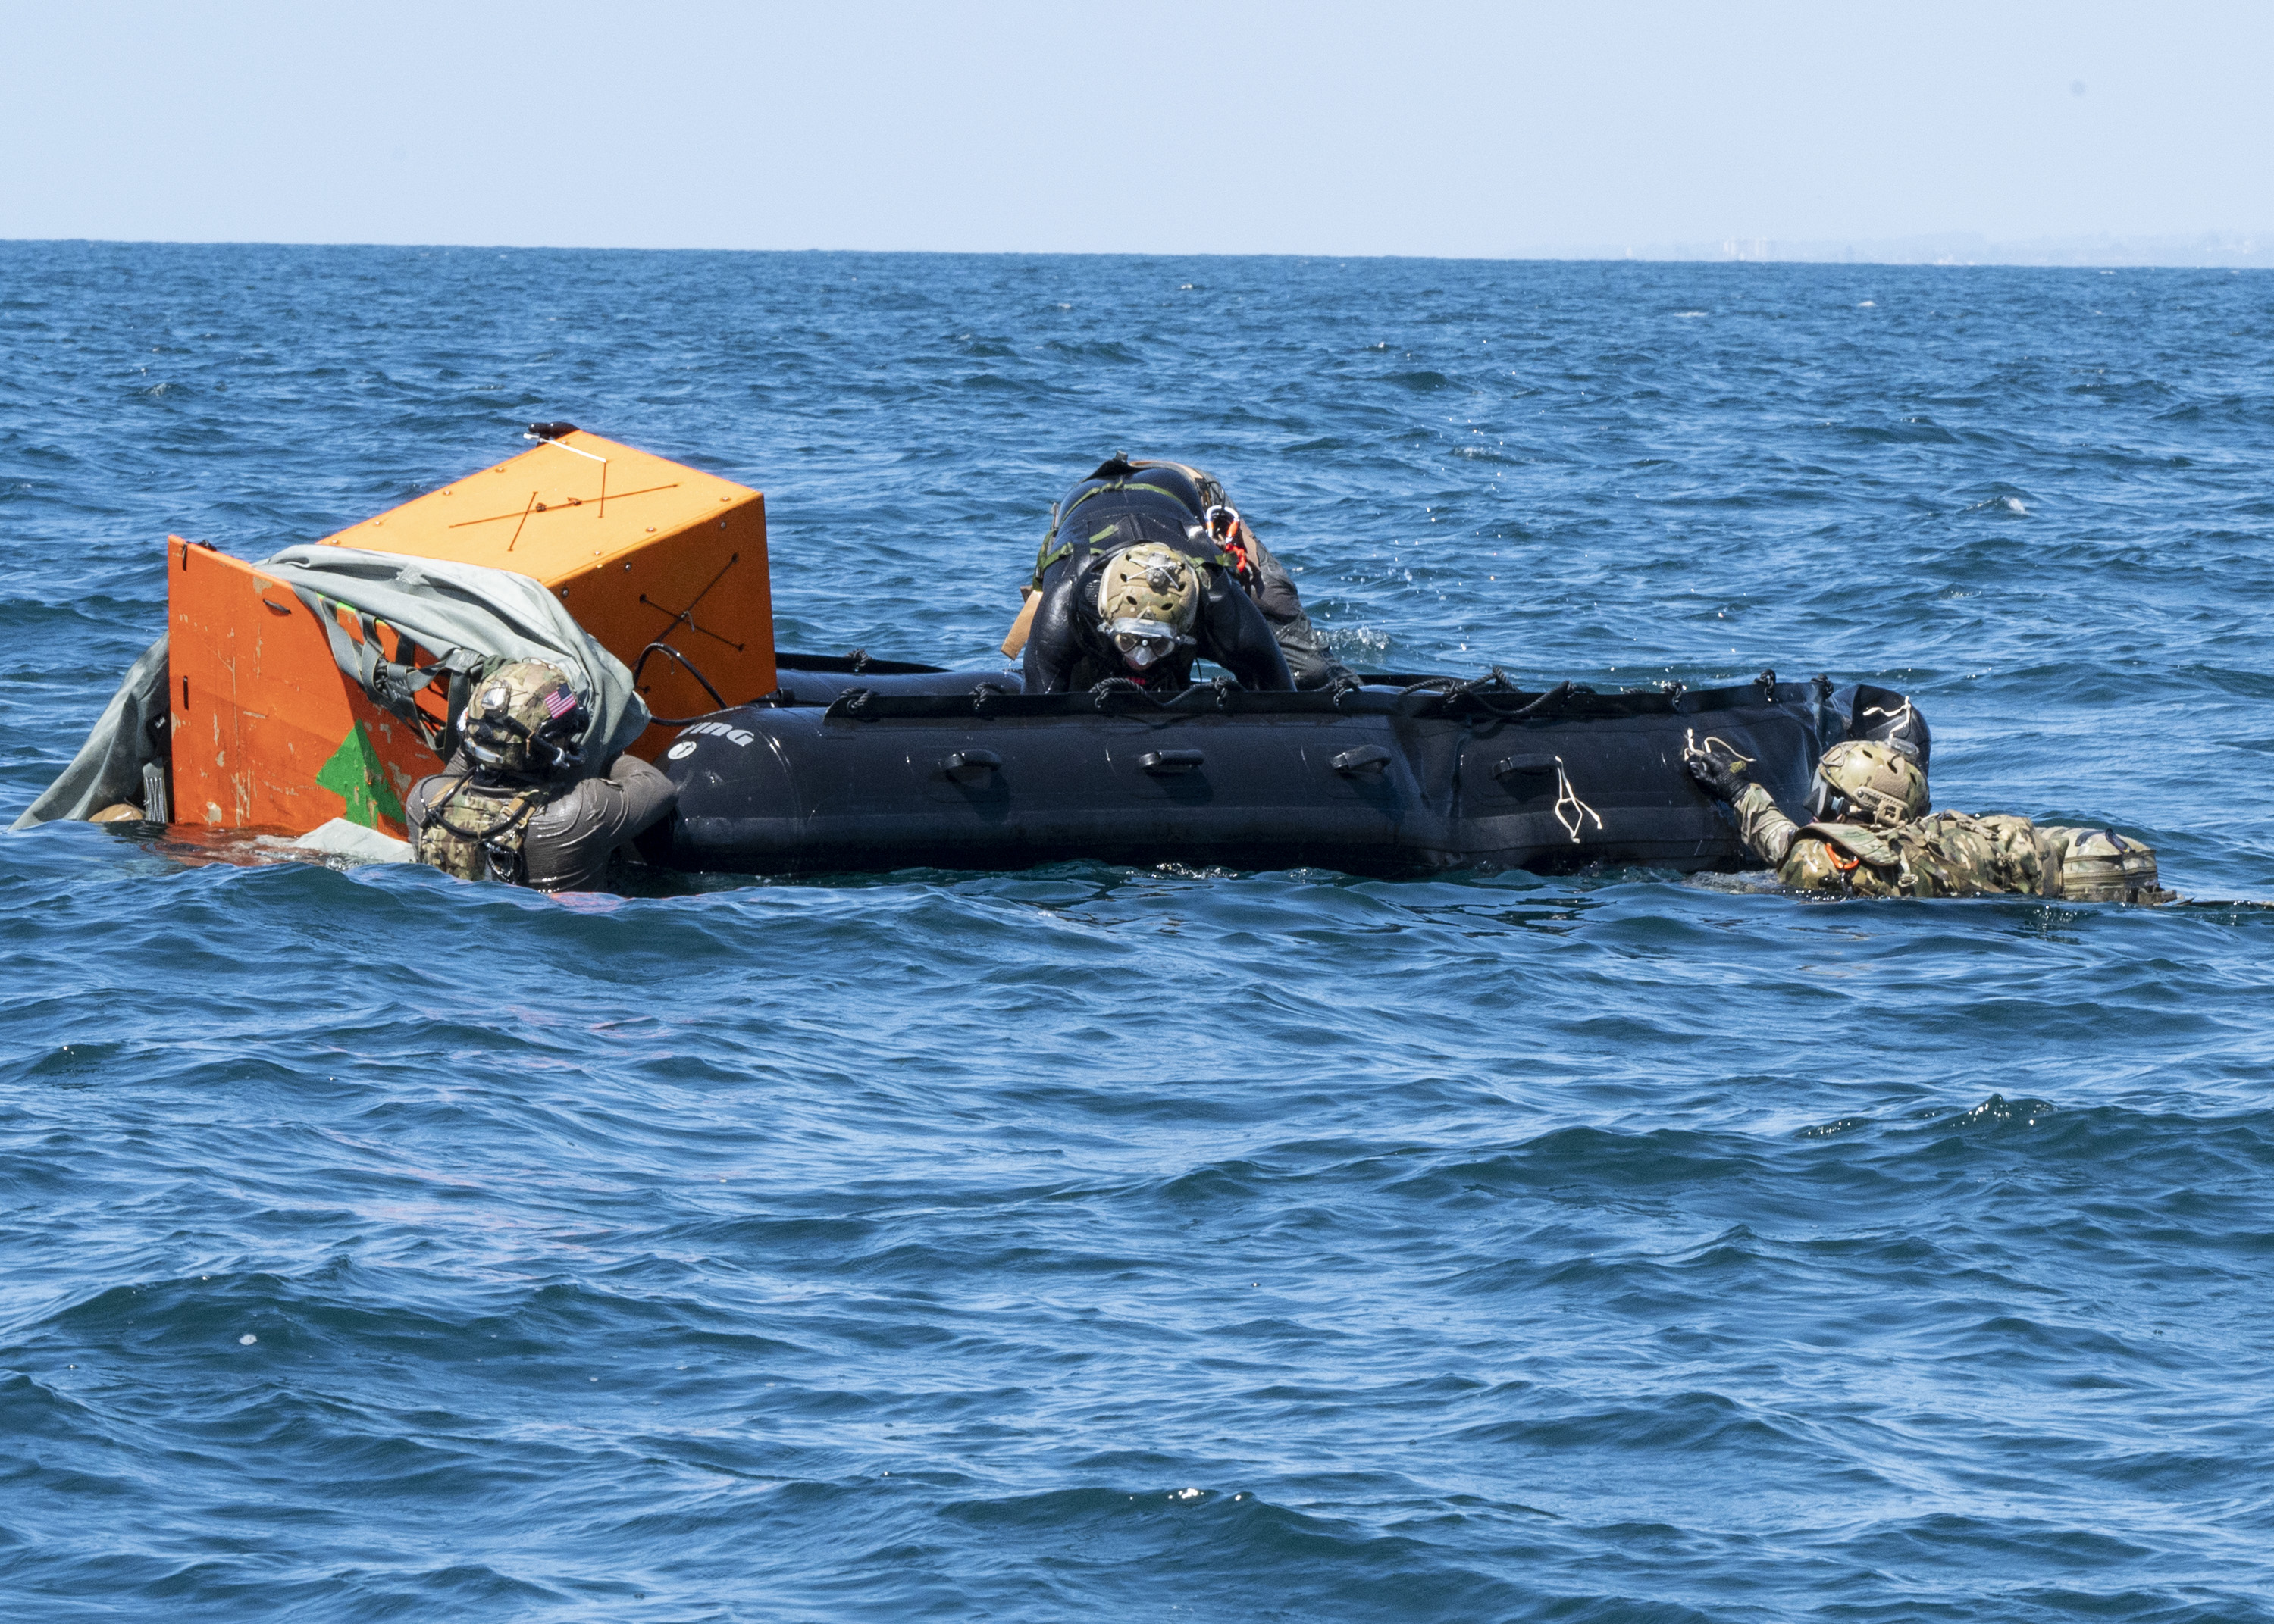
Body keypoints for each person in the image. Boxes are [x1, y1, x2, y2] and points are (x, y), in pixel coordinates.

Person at [1685, 738, 2171, 902]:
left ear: (1866, 810)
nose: (1816, 807)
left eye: (1827, 796)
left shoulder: (1840, 862)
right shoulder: (1943, 840)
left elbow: (1797, 853)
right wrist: (1742, 793)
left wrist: (1738, 794)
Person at [1015, 455, 1340, 693]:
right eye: (1128, 640)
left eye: (1159, 644)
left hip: (1190, 492)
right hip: (1090, 499)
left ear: (1188, 626)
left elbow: (1280, 692)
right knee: (1084, 680)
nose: (1142, 659)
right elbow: (1040, 706)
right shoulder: (1068, 600)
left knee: (1308, 671)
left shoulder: (1217, 600)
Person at [406, 659, 675, 891]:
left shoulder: (424, 802)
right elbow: (659, 787)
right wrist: (603, 752)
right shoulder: (580, 811)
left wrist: (485, 732)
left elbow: (461, 765)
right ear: (550, 745)